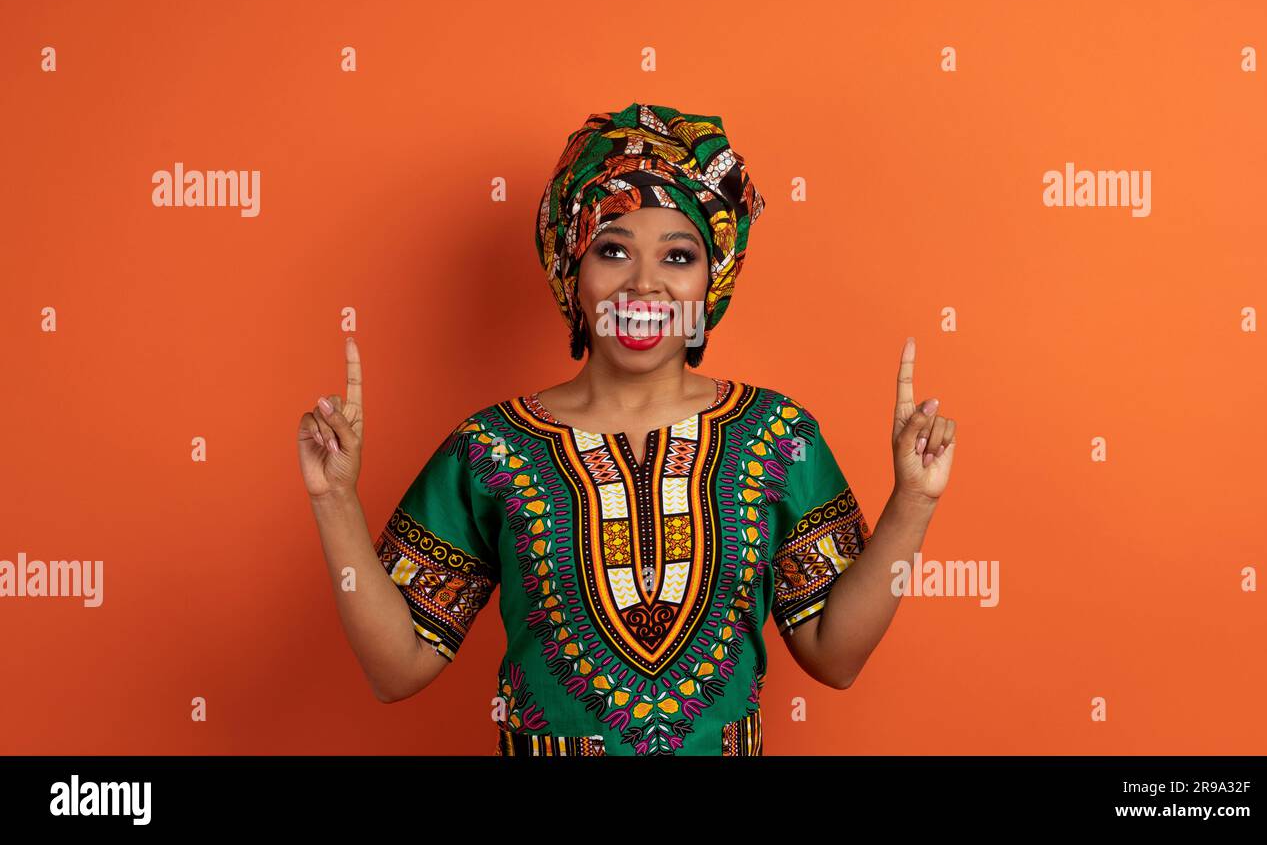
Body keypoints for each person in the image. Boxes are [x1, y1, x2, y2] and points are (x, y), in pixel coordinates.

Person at [297, 102, 957, 756]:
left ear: (712, 280)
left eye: (678, 257)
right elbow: (397, 669)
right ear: (571, 269)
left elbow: (834, 657)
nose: (644, 285)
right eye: (613, 250)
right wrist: (334, 500)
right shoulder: (493, 448)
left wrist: (914, 502)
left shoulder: (776, 435)